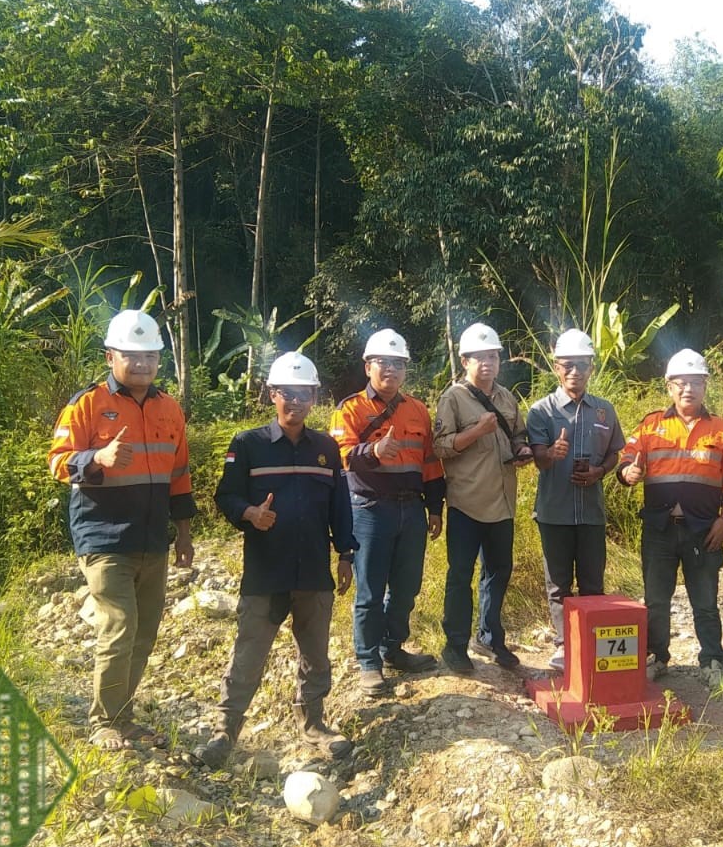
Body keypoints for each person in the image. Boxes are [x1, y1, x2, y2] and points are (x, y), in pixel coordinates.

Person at [192, 353, 358, 769]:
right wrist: (250, 513)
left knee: (316, 654)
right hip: (266, 570)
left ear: (314, 397)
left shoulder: (326, 449)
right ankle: (224, 732)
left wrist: (346, 553)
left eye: (304, 394)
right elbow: (226, 496)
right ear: (272, 395)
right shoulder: (248, 445)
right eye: (287, 393)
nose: (295, 401)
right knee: (249, 652)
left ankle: (313, 724)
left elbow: (340, 506)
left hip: (313, 570)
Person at [48, 309, 196, 751]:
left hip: (152, 538)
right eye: (132, 355)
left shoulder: (169, 408)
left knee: (144, 632)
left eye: (150, 356)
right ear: (110, 357)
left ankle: (123, 718)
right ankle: (104, 722)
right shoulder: (87, 405)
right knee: (119, 625)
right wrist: (97, 459)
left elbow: (180, 475)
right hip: (104, 536)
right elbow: (57, 462)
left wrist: (184, 534)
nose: (142, 364)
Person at [329, 328, 446, 697]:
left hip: (411, 509)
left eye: (398, 363)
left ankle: (392, 649)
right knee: (369, 591)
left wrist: (435, 507)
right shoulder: (350, 409)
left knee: (407, 587)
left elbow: (430, 463)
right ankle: (368, 663)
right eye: (383, 362)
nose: (391, 370)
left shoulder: (418, 410)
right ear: (368, 367)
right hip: (369, 509)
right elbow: (340, 457)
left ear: (405, 369)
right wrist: (374, 452)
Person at [616, 349, 723, 679]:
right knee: (656, 599)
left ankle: (711, 660)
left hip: (704, 529)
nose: (688, 389)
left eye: (696, 382)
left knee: (705, 600)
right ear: (669, 386)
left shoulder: (721, 430)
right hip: (660, 529)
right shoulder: (651, 424)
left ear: (705, 386)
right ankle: (657, 657)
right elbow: (627, 458)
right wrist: (628, 472)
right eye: (681, 383)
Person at [433, 323, 534, 674]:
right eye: (480, 357)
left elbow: (518, 434)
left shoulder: (507, 398)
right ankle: (455, 645)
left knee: (498, 571)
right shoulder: (453, 398)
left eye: (493, 356)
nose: (488, 363)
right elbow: (440, 447)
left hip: (502, 501)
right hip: (466, 502)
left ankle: (490, 637)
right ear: (465, 361)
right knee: (460, 575)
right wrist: (477, 431)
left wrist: (522, 450)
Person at [526, 329, 625, 671]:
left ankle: (592, 645)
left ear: (591, 368)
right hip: (554, 512)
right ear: (556, 367)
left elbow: (614, 454)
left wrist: (600, 472)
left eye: (582, 365)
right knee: (559, 585)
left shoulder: (604, 411)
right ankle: (564, 645)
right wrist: (551, 453)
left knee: (593, 582)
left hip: (591, 513)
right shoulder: (542, 411)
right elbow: (538, 459)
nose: (574, 372)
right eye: (567, 365)